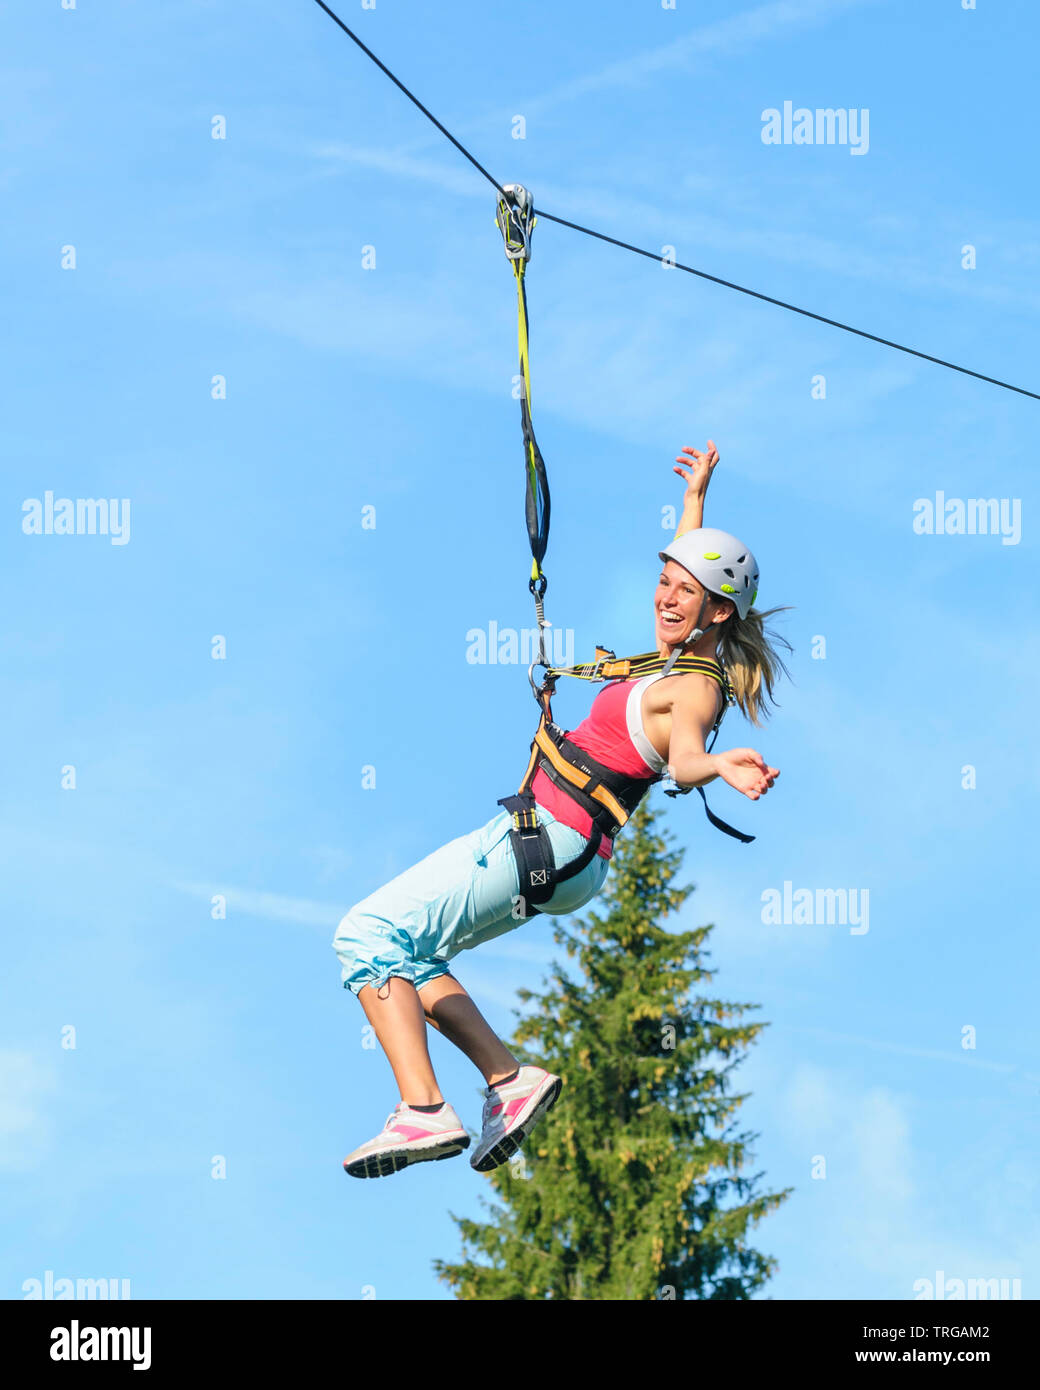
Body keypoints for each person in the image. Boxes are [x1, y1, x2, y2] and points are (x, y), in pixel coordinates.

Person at [334, 441, 789, 1179]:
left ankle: (422, 1111)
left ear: (719, 612)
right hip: (557, 848)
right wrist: (696, 499)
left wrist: (722, 767)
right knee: (412, 957)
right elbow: (693, 574)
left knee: (366, 935)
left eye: (685, 592)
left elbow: (684, 757)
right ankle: (509, 1081)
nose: (666, 597)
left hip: (553, 836)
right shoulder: (673, 660)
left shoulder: (697, 684)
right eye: (664, 582)